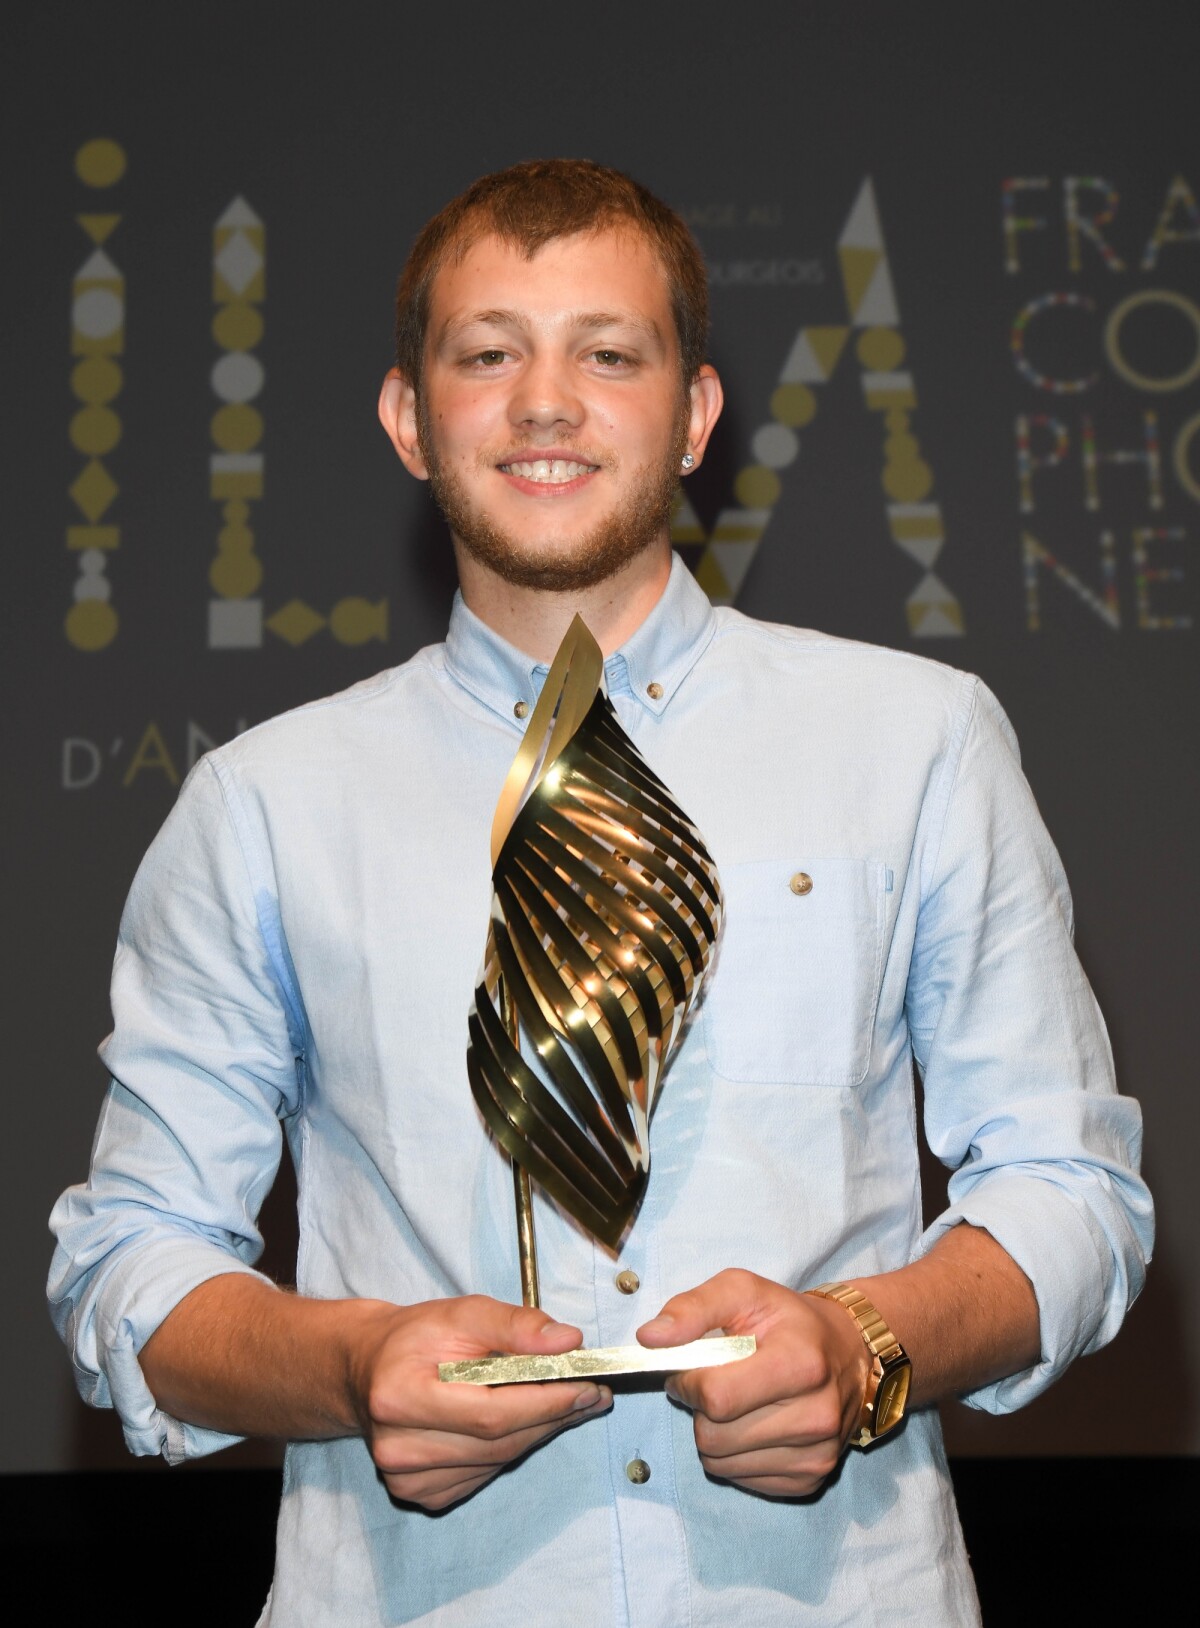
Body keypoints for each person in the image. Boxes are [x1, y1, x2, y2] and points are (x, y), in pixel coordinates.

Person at [49, 160, 1153, 1626]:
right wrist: (348, 1365)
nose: (547, 401)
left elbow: (1071, 1192)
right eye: (489, 351)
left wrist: (866, 1342)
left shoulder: (918, 740)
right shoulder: (263, 805)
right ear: (409, 419)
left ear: (694, 413)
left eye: (608, 353)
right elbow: (129, 1257)